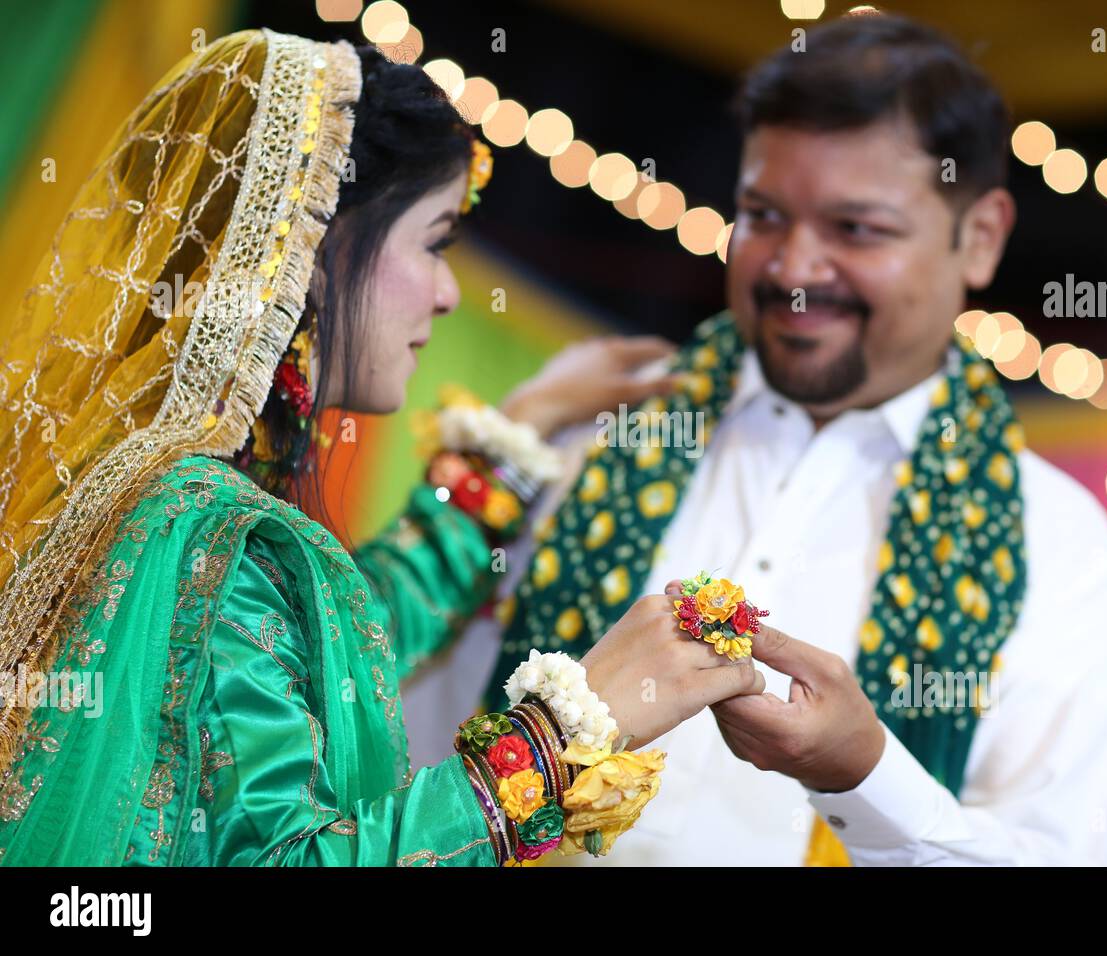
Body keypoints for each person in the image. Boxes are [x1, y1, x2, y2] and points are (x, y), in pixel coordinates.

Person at [0, 29, 762, 867]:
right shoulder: (210, 537)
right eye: (434, 243)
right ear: (317, 252)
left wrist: (517, 430)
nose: (444, 294)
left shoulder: (157, 491)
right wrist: (569, 727)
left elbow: (354, 644)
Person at [465, 12, 1107, 865]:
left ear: (980, 237)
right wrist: (504, 446)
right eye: (764, 214)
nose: (792, 269)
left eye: (856, 229)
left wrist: (866, 776)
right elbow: (429, 736)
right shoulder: (595, 423)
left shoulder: (1057, 539)